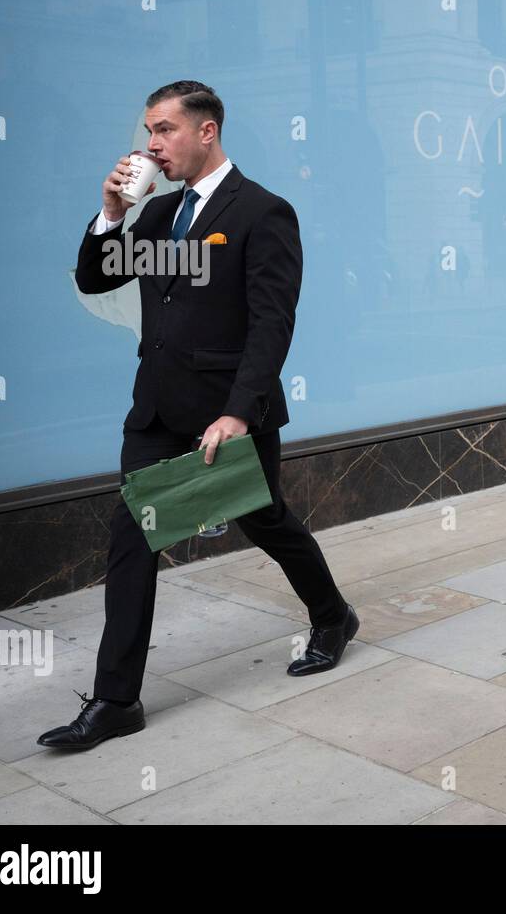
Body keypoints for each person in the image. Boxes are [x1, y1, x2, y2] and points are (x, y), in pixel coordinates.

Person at [37, 81, 357, 752]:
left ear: (206, 131)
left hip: (227, 412)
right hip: (156, 410)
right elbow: (96, 279)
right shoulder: (152, 217)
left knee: (265, 520)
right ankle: (116, 699)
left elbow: (272, 323)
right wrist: (108, 214)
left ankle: (332, 616)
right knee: (134, 538)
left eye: (164, 130)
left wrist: (240, 412)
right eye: (147, 132)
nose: (150, 145)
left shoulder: (264, 212)